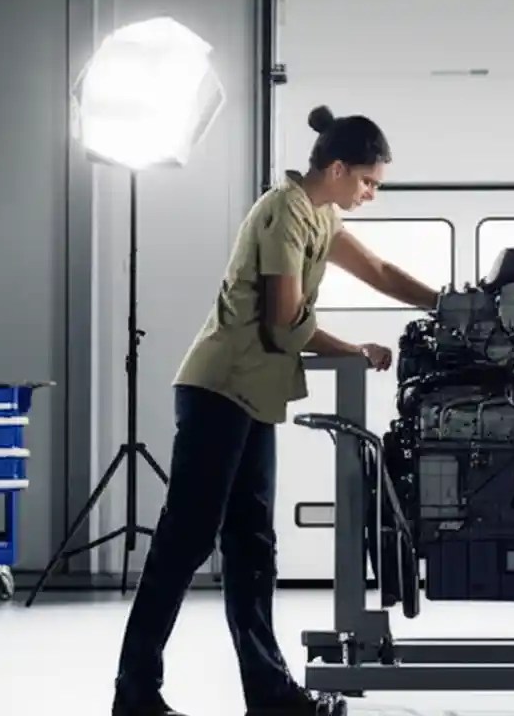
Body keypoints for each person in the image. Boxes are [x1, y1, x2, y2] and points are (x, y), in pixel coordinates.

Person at [111, 105, 440, 716]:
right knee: (185, 542)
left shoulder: (321, 213)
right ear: (338, 168)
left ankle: (269, 695)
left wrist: (449, 303)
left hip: (255, 395)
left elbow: (381, 271)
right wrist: (355, 350)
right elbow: (282, 316)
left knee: (252, 546)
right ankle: (134, 692)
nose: (371, 194)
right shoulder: (283, 210)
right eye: (368, 182)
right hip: (220, 388)